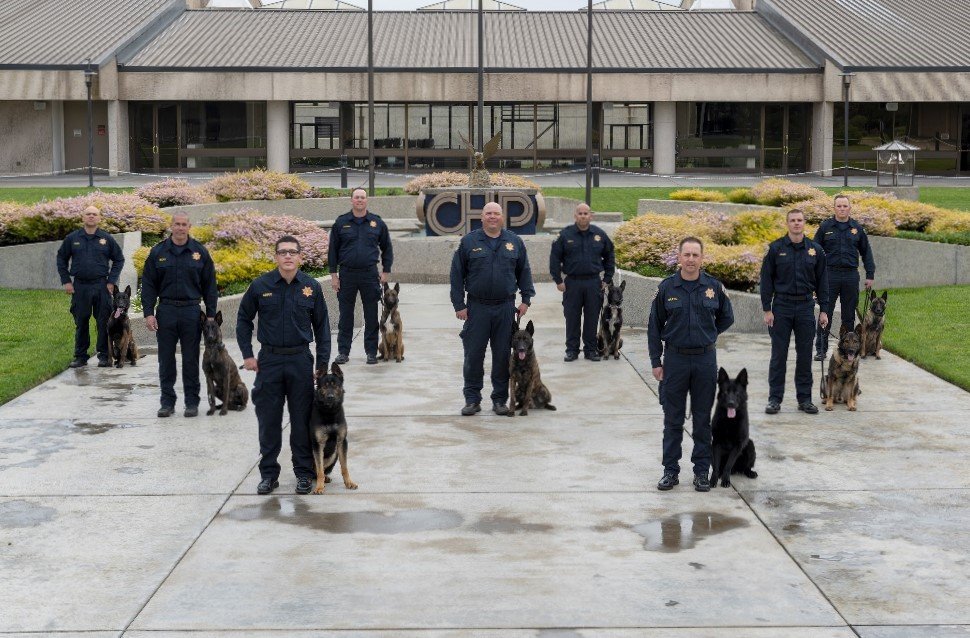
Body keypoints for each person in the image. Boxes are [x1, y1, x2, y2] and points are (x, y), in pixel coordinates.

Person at [237, 236, 331, 495]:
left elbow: (323, 328)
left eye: (292, 252)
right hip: (269, 361)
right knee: (269, 420)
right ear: (276, 256)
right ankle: (268, 474)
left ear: (300, 256)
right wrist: (247, 354)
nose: (288, 256)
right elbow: (244, 319)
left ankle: (303, 473)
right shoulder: (261, 285)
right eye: (283, 252)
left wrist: (322, 364)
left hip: (301, 360)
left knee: (301, 421)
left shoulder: (311, 287)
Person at [648, 237, 734, 492]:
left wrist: (707, 334)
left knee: (702, 420)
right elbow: (654, 328)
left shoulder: (714, 287)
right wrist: (656, 361)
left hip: (705, 361)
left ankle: (701, 472)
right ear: (679, 256)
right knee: (672, 420)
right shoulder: (666, 288)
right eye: (686, 254)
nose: (691, 259)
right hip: (674, 360)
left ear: (702, 258)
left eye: (695, 255)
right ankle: (670, 471)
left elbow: (727, 318)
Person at [450, 201, 535, 416]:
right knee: (473, 356)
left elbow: (524, 271)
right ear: (482, 217)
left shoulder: (514, 242)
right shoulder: (469, 242)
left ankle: (499, 400)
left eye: (496, 213)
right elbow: (456, 274)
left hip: (506, 308)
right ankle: (472, 400)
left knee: (502, 356)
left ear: (502, 217)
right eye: (488, 213)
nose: (492, 217)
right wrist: (459, 305)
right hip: (477, 308)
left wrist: (526, 299)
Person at [141, 212, 218, 418]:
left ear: (189, 226)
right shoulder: (158, 252)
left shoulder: (199, 253)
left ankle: (192, 402)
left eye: (184, 224)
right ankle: (167, 402)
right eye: (177, 224)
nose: (181, 228)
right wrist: (148, 313)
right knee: (166, 360)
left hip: (191, 311)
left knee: (191, 359)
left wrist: (210, 315)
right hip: (166, 311)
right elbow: (148, 284)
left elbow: (210, 286)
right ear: (171, 226)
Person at [760, 208, 829, 416]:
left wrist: (824, 310)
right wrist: (767, 309)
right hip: (781, 307)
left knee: (805, 356)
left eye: (800, 220)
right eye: (793, 220)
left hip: (806, 307)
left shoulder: (815, 251)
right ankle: (774, 399)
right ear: (787, 223)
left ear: (804, 223)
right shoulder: (775, 249)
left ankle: (805, 399)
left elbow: (823, 282)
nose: (796, 223)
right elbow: (766, 281)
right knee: (778, 355)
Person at [328, 188, 393, 365]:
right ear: (351, 200)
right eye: (356, 197)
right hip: (347, 274)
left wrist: (385, 271)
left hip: (369, 274)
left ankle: (371, 352)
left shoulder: (377, 223)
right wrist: (334, 275)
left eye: (362, 197)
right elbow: (332, 250)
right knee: (346, 315)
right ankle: (343, 351)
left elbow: (387, 248)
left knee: (371, 315)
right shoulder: (341, 223)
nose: (359, 200)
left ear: (367, 200)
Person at [56, 206, 125, 368]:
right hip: (80, 286)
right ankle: (80, 356)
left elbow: (119, 260)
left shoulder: (106, 239)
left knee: (103, 322)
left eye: (95, 214)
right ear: (83, 217)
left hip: (101, 285)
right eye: (88, 214)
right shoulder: (73, 238)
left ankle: (104, 355)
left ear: (99, 218)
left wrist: (111, 281)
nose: (91, 217)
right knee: (81, 321)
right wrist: (66, 281)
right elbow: (61, 259)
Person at [549, 203, 615, 362]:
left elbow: (610, 255)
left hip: (593, 283)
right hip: (572, 283)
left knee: (592, 318)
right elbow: (555, 258)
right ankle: (572, 350)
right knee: (572, 318)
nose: (583, 216)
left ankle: (590, 350)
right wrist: (558, 280)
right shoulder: (565, 235)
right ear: (575, 215)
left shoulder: (599, 235)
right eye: (580, 213)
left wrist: (606, 279)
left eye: (586, 213)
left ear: (590, 216)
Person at [813, 194, 876, 360]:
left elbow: (866, 253)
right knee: (825, 313)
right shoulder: (825, 227)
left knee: (848, 316)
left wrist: (870, 274)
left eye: (844, 206)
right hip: (829, 275)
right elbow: (814, 252)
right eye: (839, 206)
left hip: (850, 275)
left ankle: (847, 350)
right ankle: (821, 349)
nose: (842, 208)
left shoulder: (857, 228)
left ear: (849, 208)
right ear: (834, 208)